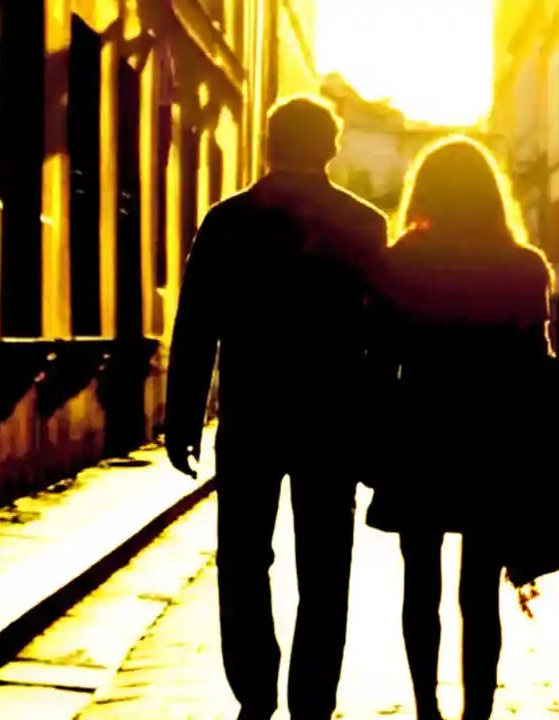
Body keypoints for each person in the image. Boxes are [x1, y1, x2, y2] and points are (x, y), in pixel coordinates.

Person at [162, 94, 389, 720]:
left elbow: (196, 326)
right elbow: (386, 335)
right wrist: (378, 420)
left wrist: (182, 420)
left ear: (267, 144)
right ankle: (311, 700)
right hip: (331, 423)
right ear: (331, 148)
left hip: (251, 417)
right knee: (324, 569)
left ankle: (255, 689)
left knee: (241, 559)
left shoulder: (227, 220)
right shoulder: (364, 224)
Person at [364, 136, 556, 720]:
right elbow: (537, 365)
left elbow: (378, 359)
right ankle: (477, 715)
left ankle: (427, 709)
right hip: (495, 438)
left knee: (419, 582)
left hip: (418, 430)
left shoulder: (400, 261)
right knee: (480, 593)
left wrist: (368, 437)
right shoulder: (523, 266)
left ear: (426, 191)